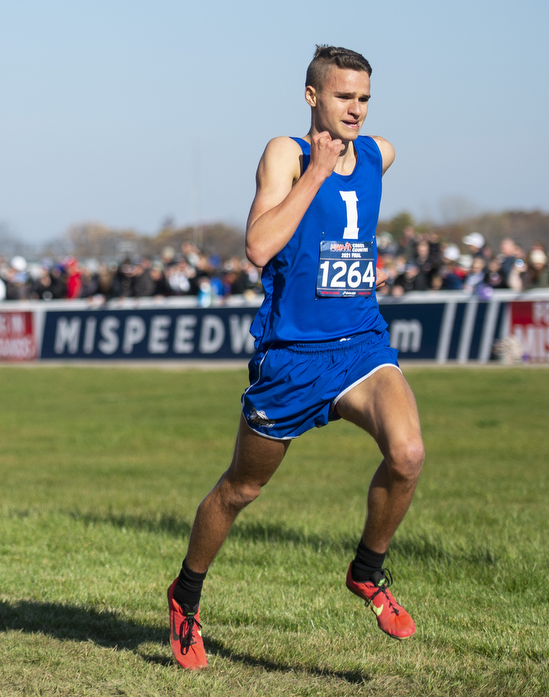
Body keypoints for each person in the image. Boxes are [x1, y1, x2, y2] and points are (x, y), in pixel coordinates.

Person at [167, 47, 425, 669]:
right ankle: (186, 595)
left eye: (363, 98)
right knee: (240, 489)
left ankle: (367, 571)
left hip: (361, 346)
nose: (356, 109)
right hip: (291, 358)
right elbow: (258, 246)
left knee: (408, 454)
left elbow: (378, 164)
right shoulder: (286, 153)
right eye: (343, 97)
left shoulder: (378, 152)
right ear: (313, 97)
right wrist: (315, 172)